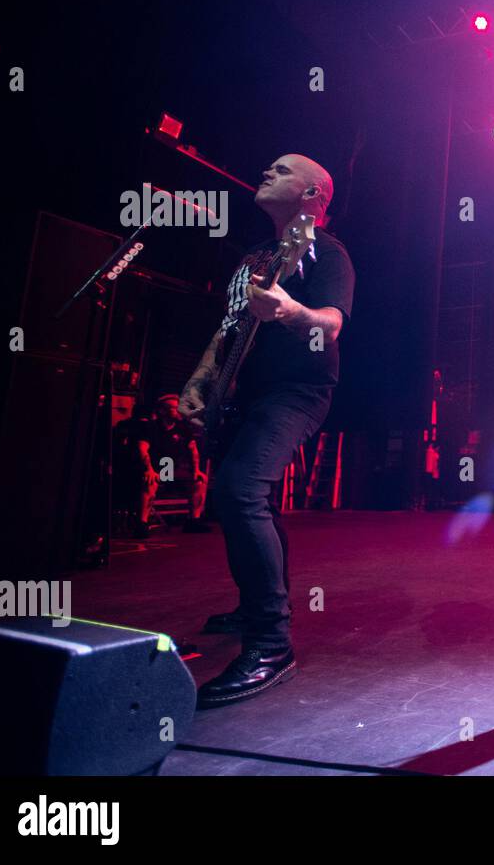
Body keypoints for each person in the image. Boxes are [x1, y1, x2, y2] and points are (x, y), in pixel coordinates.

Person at [179, 153, 355, 708]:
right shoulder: (254, 257)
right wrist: (201, 379)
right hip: (242, 393)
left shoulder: (325, 252)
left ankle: (271, 645)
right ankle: (258, 604)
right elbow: (228, 328)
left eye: (281, 170)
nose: (265, 172)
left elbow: (331, 322)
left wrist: (290, 310)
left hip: (297, 391)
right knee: (243, 499)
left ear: (312, 195)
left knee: (240, 491)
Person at [125, 393, 210, 538]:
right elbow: (142, 449)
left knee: (200, 480)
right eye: (174, 408)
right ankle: (142, 523)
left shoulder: (182, 427)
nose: (178, 411)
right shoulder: (150, 427)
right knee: (151, 482)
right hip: (154, 466)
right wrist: (149, 470)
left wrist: (196, 470)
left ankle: (193, 521)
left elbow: (193, 449)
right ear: (162, 411)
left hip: (169, 467)